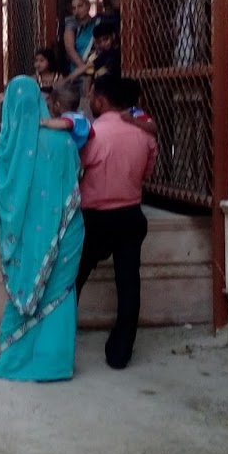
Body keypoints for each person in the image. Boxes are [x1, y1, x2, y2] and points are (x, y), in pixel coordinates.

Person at [0, 76, 85, 382]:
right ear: (40, 102)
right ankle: (52, 364)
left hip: (24, 240)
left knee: (27, 285)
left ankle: (13, 359)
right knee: (58, 293)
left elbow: (6, 199)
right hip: (64, 228)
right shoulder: (62, 140)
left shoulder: (5, 148)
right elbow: (75, 178)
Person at [74, 75, 158, 370]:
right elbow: (147, 173)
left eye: (92, 96)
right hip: (130, 214)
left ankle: (60, 339)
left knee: (72, 279)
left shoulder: (93, 133)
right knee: (128, 283)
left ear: (101, 100)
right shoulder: (145, 135)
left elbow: (77, 170)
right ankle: (120, 353)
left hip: (93, 217)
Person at [39, 82, 92, 148]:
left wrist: (45, 122)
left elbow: (65, 123)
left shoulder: (69, 119)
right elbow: (91, 134)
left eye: (49, 106)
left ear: (56, 106)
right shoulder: (83, 118)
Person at [61, 0, 96, 77]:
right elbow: (70, 49)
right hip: (78, 71)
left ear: (88, 6)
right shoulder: (71, 25)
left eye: (80, 6)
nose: (77, 10)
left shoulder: (97, 22)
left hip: (96, 69)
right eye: (74, 8)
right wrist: (84, 69)